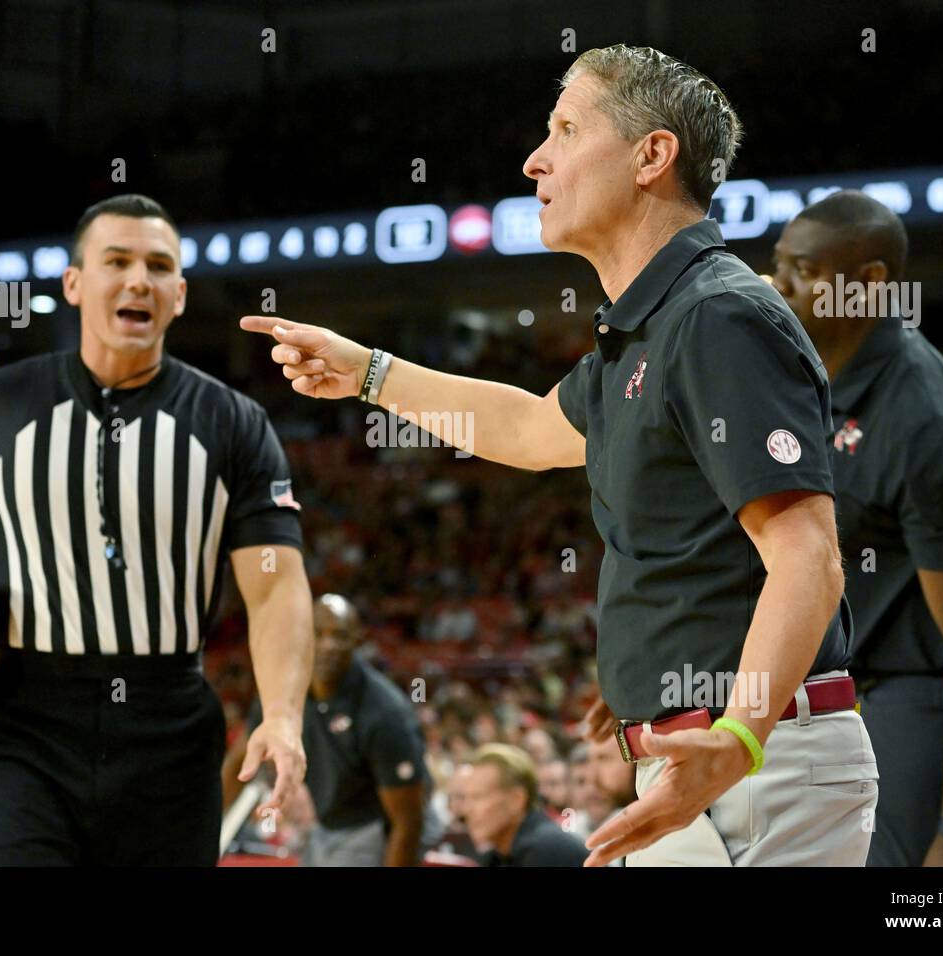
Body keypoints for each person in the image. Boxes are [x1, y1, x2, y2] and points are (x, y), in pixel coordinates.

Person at [241, 44, 875, 866]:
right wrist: (369, 373)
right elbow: (533, 432)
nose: (536, 158)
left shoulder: (719, 317)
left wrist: (740, 736)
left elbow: (809, 557)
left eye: (567, 130)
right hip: (713, 761)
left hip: (760, 762)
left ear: (653, 155)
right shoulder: (647, 326)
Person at [0, 194, 314, 866]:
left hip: (170, 729)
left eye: (158, 267)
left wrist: (283, 714)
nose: (137, 280)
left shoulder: (233, 422)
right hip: (25, 723)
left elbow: (274, 585)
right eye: (116, 261)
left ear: (178, 295)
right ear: (74, 283)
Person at [772, 190, 943, 866]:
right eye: (778, 265)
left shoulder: (933, 421)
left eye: (803, 270)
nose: (779, 286)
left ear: (870, 285)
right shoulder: (802, 386)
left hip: (927, 700)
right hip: (836, 696)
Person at [223, 594, 428, 865]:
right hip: (327, 822)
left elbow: (408, 822)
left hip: (375, 826)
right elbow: (239, 762)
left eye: (339, 635)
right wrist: (209, 826)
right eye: (317, 634)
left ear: (357, 640)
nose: (328, 645)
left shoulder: (385, 713)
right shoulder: (281, 693)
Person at [463, 744, 587, 867]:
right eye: (466, 798)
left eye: (478, 797)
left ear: (516, 799)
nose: (467, 809)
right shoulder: (496, 856)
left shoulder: (546, 850)